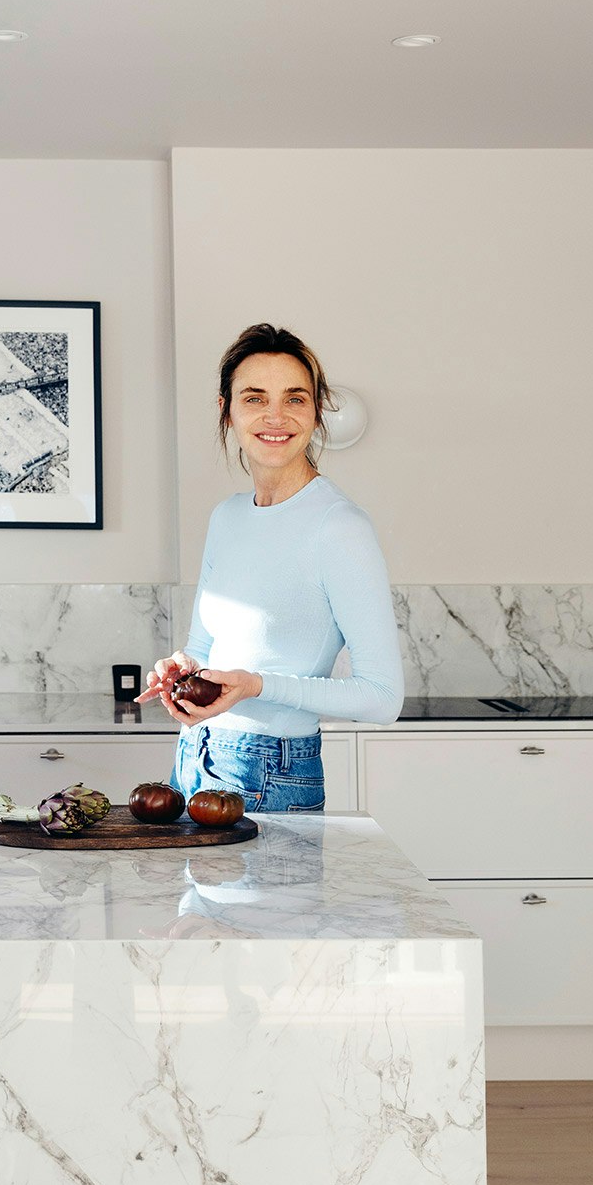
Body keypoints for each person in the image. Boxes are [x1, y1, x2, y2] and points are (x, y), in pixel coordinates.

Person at [139, 322, 404, 815]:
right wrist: (183, 672)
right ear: (228, 410)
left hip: (271, 770)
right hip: (194, 756)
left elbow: (383, 698)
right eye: (255, 398)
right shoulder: (228, 516)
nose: (275, 416)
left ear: (316, 411)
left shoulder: (339, 526)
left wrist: (257, 685)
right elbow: (204, 648)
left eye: (295, 398)